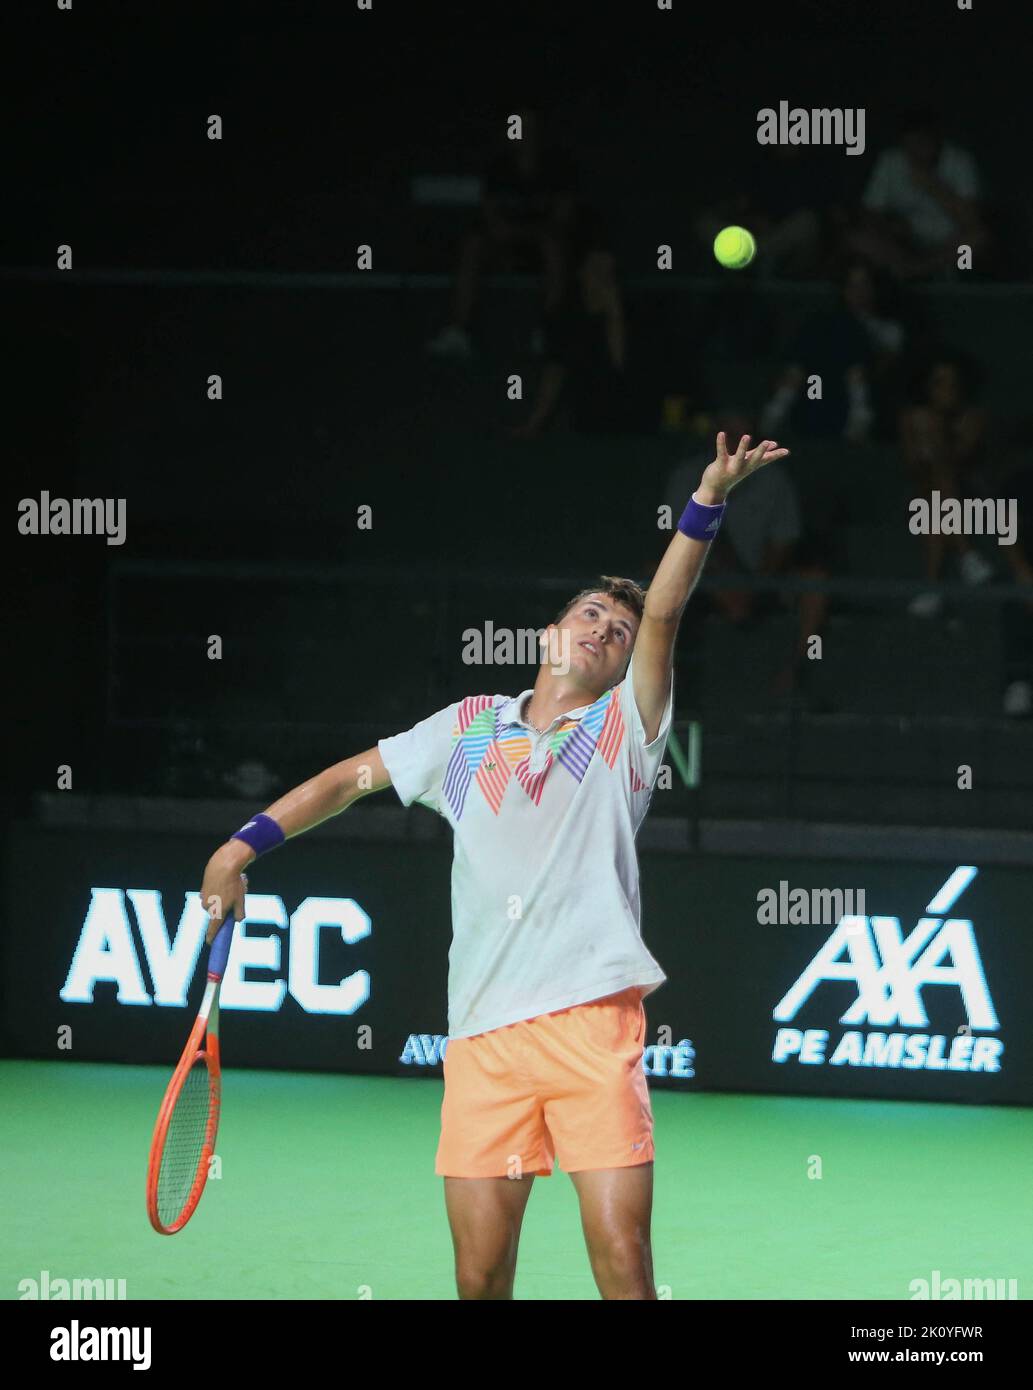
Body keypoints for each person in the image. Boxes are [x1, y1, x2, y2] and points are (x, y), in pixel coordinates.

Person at [199, 430, 789, 1301]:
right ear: (549, 634)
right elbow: (342, 783)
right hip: (482, 1037)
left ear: (629, 664)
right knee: (479, 1280)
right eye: (589, 613)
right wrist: (238, 846)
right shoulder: (465, 726)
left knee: (623, 1265)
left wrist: (707, 502)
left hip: (592, 1025)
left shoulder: (626, 731)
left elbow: (666, 610)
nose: (605, 628)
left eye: (618, 631)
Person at [664, 412, 830, 699]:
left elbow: (784, 541)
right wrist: (724, 589)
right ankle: (667, 684)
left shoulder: (775, 479)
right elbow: (676, 542)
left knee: (815, 579)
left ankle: (794, 674)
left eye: (743, 433)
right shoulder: (688, 475)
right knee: (657, 579)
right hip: (702, 580)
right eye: (727, 432)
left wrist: (755, 585)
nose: (735, 441)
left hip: (761, 578)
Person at [426, 108, 578, 359]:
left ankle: (550, 332)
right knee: (473, 244)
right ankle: (458, 331)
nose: (523, 134)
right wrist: (511, 233)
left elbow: (562, 219)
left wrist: (525, 232)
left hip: (543, 251)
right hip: (504, 248)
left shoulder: (557, 167)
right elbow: (491, 218)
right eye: (518, 127)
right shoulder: (498, 168)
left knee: (553, 245)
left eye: (529, 127)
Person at [760, 258, 906, 444]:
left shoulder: (887, 327)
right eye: (852, 286)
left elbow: (887, 366)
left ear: (875, 289)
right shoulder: (825, 326)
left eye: (864, 285)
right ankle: (779, 407)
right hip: (823, 389)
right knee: (821, 330)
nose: (859, 292)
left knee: (841, 332)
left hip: (867, 392)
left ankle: (859, 414)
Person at [900, 354, 993, 617]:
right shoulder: (912, 418)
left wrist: (937, 436)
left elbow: (962, 460)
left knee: (937, 493)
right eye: (939, 383)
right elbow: (911, 464)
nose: (946, 390)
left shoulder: (972, 417)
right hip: (922, 488)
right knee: (933, 494)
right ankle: (966, 554)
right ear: (928, 387)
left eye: (952, 383)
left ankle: (932, 587)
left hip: (968, 492)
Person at [849, 109, 989, 281]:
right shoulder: (890, 162)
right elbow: (870, 214)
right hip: (904, 248)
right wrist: (891, 226)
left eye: (924, 140)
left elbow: (972, 221)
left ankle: (918, 273)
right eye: (913, 140)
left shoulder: (959, 161)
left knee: (976, 242)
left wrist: (933, 186)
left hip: (947, 248)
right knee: (860, 240)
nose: (918, 147)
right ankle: (908, 271)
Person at [509, 242, 630, 438]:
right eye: (596, 271)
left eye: (608, 273)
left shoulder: (631, 313)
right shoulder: (568, 318)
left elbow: (621, 369)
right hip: (589, 416)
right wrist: (533, 425)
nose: (603, 281)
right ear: (582, 274)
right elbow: (554, 372)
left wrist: (615, 316)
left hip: (631, 412)